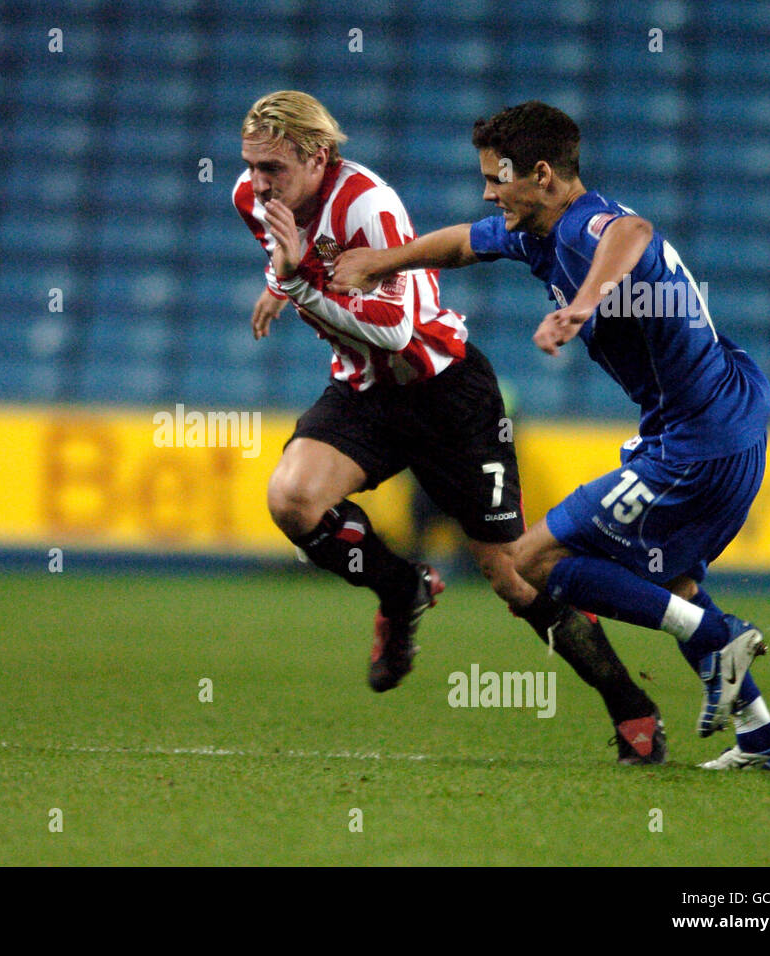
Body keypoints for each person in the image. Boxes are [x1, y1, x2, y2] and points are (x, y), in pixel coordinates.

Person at [331, 100, 770, 770]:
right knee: (677, 580)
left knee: (534, 560)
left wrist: (580, 308)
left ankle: (721, 635)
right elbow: (464, 242)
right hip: (724, 418)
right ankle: (763, 740)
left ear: (543, 174)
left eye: (498, 178)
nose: (489, 192)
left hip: (695, 445)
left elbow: (632, 231)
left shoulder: (583, 227)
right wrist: (385, 262)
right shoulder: (535, 231)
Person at [234, 90, 665, 764]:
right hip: (365, 392)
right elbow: (291, 256)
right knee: (292, 499)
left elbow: (394, 326)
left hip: (445, 391)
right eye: (252, 167)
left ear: (318, 156)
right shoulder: (252, 197)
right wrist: (278, 278)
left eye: (274, 170)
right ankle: (400, 586)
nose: (259, 184)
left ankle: (628, 703)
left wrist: (294, 286)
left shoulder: (367, 207)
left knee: (514, 578)